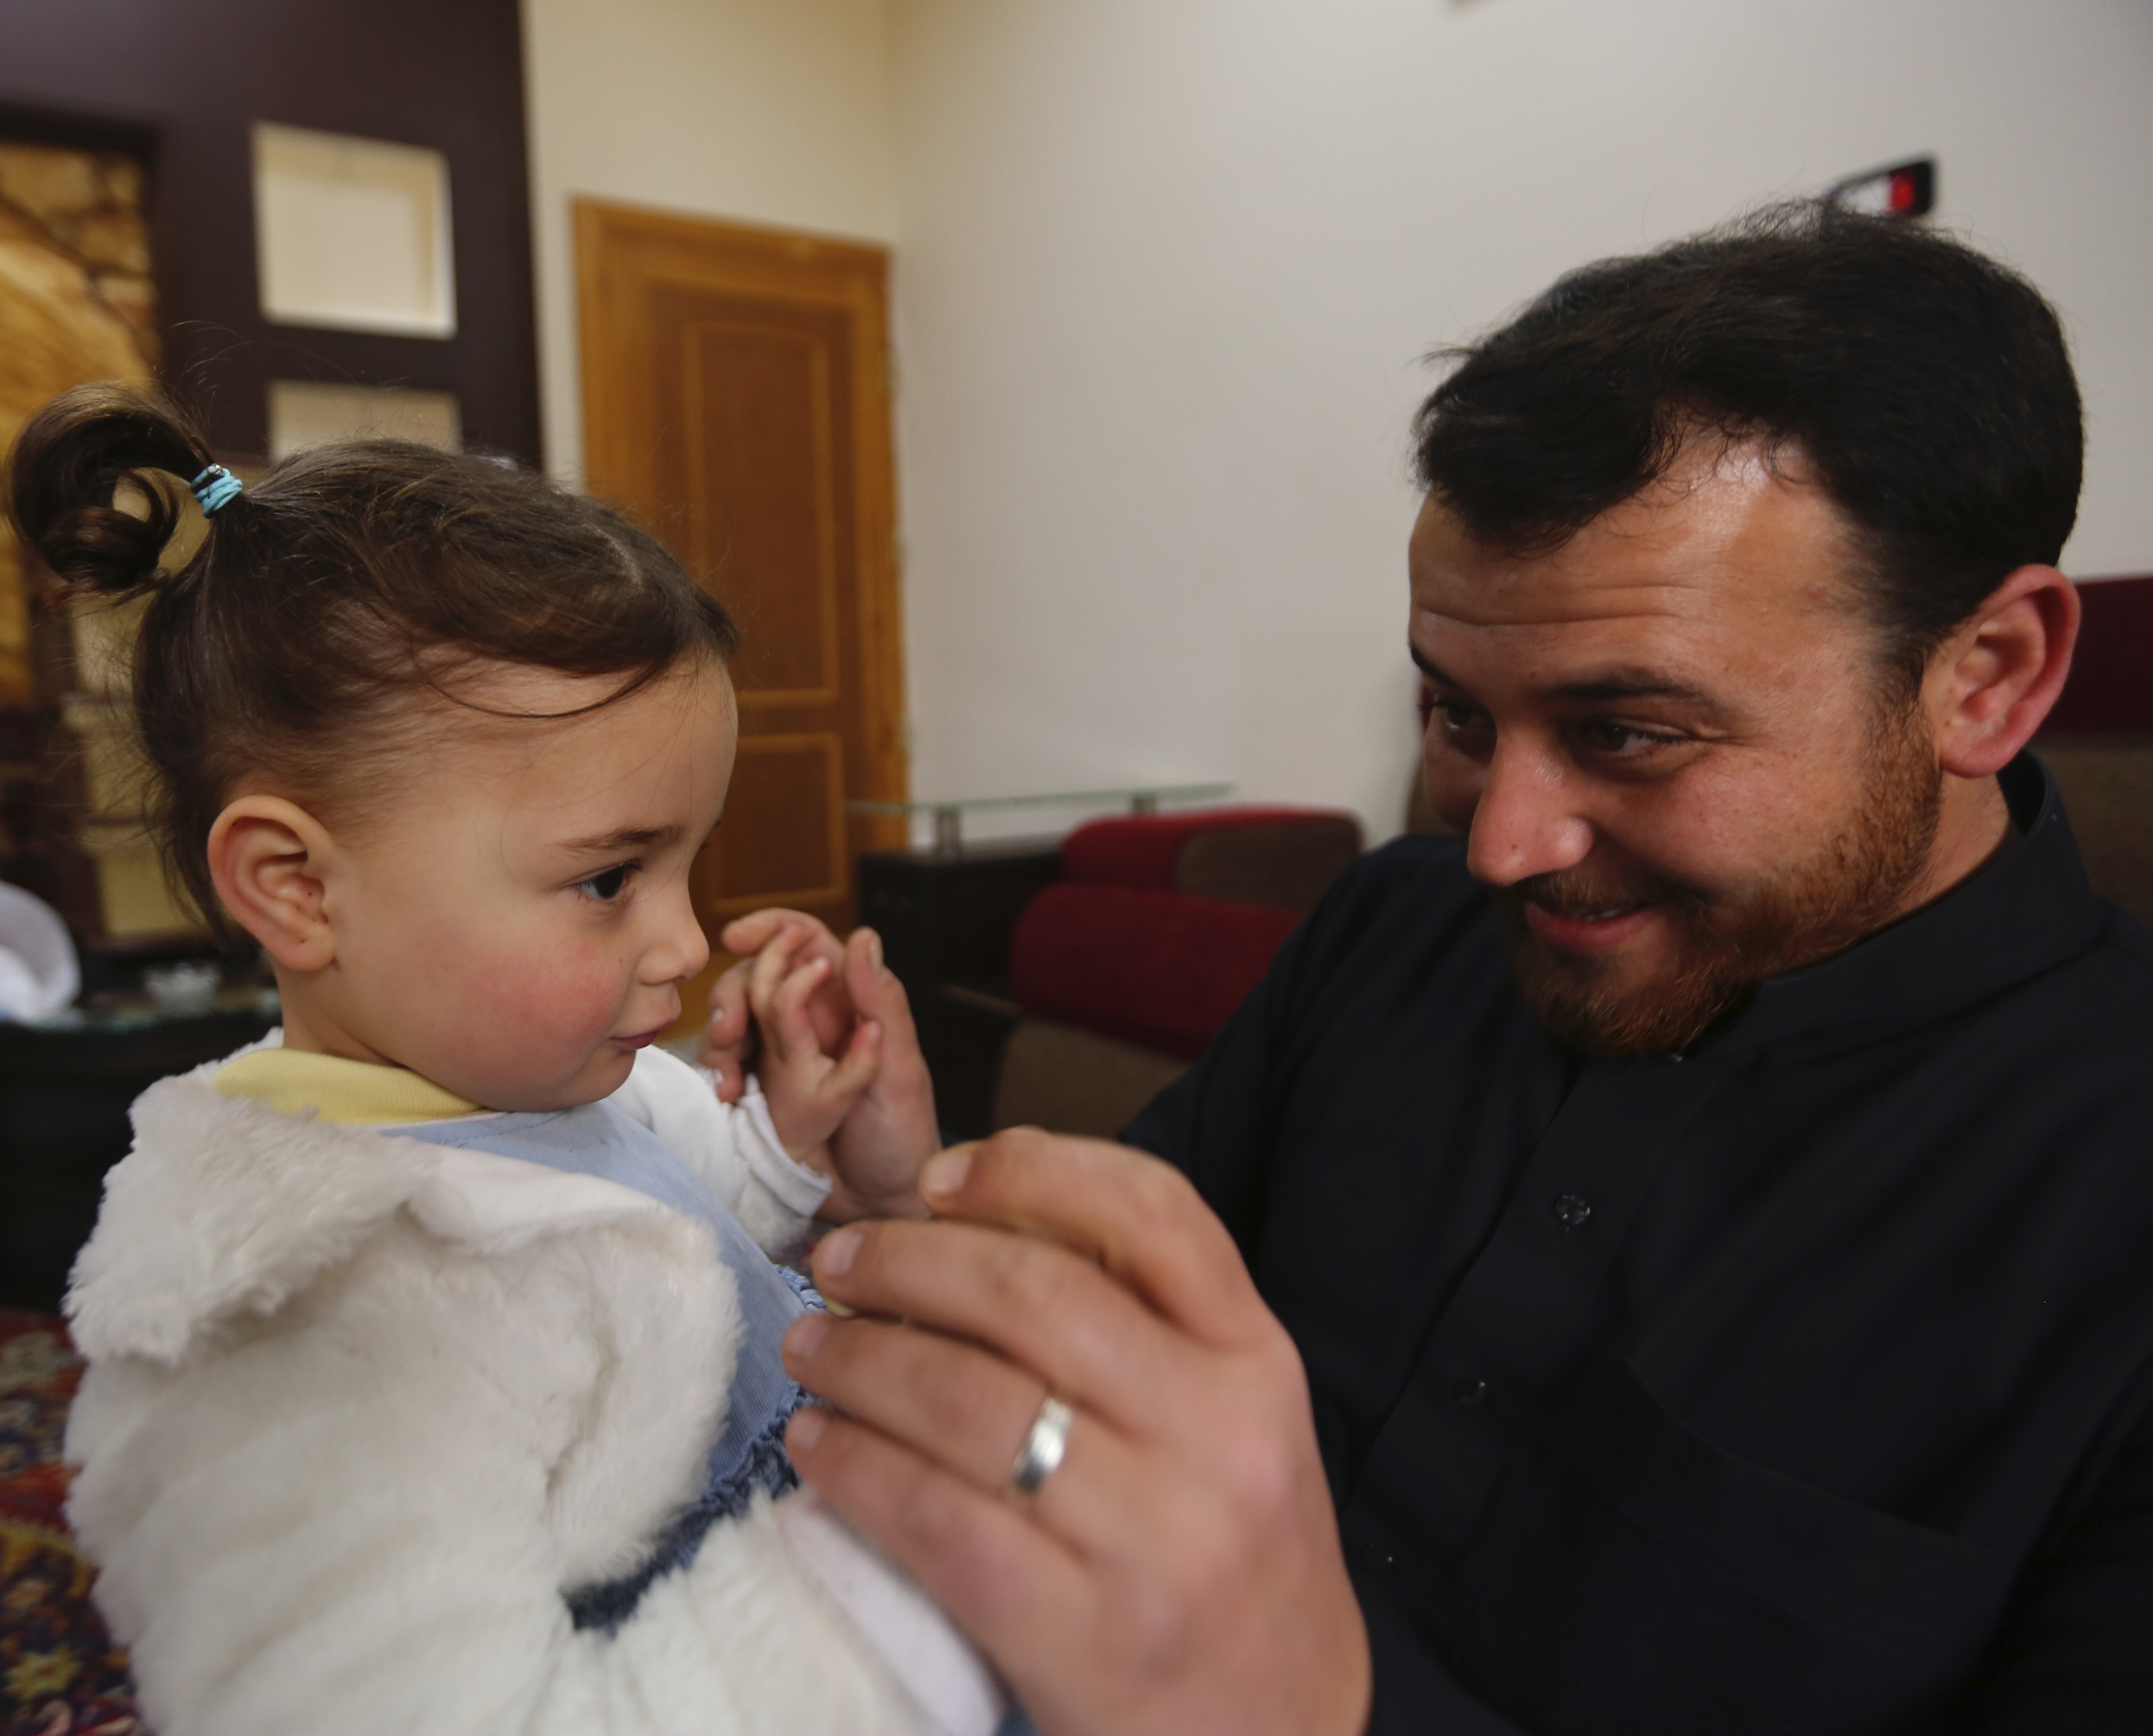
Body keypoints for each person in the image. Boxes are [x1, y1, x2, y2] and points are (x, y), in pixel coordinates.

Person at [705, 202, 2153, 1733]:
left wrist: (1319, 1703)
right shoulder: (1392, 924)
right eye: (1458, 715)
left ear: (1985, 680)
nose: (1500, 845)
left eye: (1629, 732)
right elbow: (1108, 1309)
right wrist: (892, 1196)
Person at [12, 385, 1002, 1736]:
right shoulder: (304, 1331)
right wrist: (888, 1587)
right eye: (610, 877)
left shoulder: (530, 1077)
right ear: (298, 886)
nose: (686, 940)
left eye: (685, 864)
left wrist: (786, 1137)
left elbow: (678, 1222)